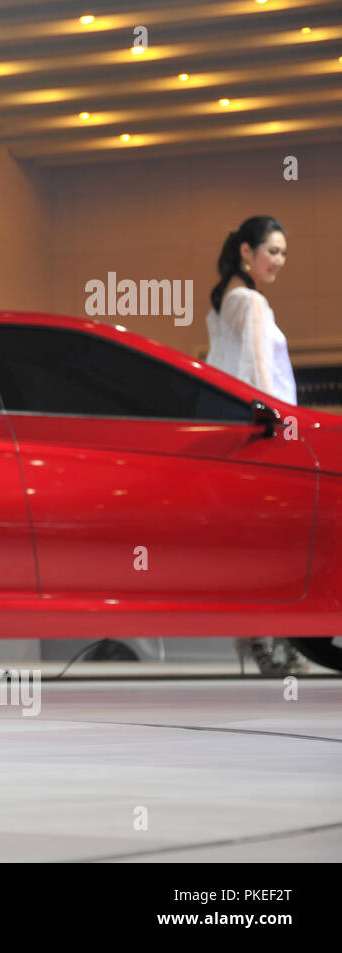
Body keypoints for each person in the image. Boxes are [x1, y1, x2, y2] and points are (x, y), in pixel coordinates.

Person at [204, 215, 306, 676]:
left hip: (239, 438)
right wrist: (283, 430)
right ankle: (276, 644)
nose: (280, 261)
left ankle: (260, 640)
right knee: (282, 544)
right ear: (247, 251)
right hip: (268, 436)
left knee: (254, 544)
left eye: (284, 253)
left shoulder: (225, 301)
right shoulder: (251, 303)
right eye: (273, 251)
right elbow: (261, 375)